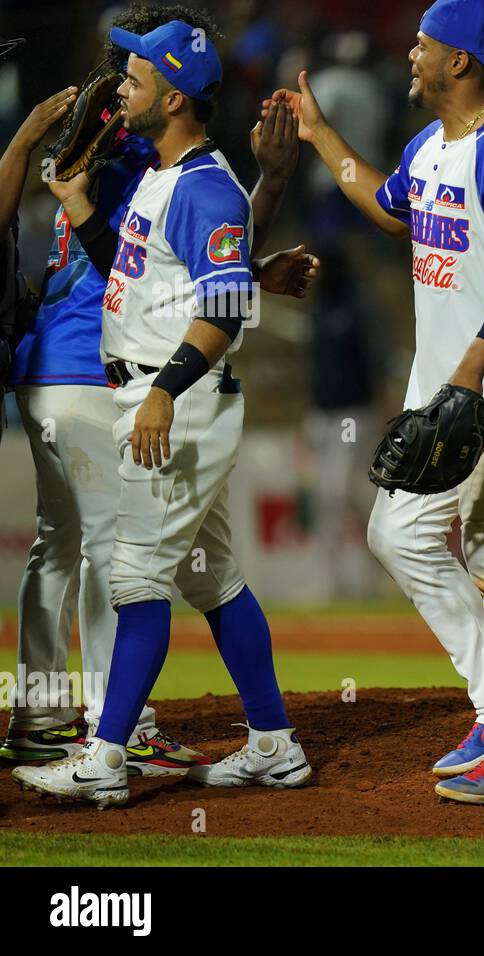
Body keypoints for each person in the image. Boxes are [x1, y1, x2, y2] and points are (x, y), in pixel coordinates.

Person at [272, 0, 484, 804]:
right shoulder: (431, 145)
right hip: (448, 385)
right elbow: (391, 208)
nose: (410, 55)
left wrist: (470, 370)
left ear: (462, 62)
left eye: (424, 45)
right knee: (395, 532)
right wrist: (321, 136)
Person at [13, 17, 317, 807]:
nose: (121, 86)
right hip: (153, 392)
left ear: (174, 95)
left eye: (137, 76)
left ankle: (106, 759)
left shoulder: (206, 186)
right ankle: (274, 744)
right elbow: (148, 280)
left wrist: (161, 392)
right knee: (213, 578)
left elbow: (219, 311)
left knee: (136, 576)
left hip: (172, 400)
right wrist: (82, 209)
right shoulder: (160, 174)